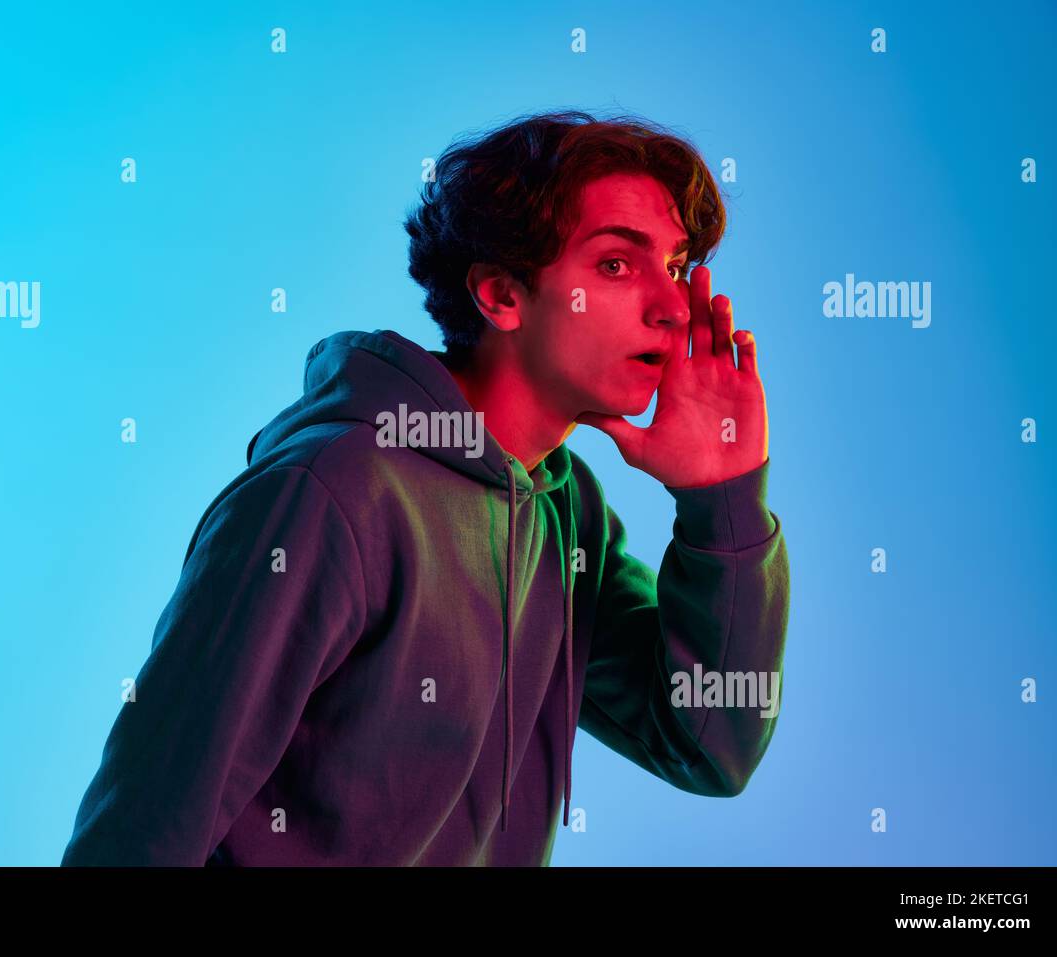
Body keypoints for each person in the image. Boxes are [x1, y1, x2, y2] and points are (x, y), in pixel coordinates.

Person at [61, 110, 790, 866]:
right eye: (615, 265)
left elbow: (711, 745)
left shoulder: (567, 517)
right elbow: (143, 831)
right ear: (501, 295)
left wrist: (722, 499)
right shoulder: (332, 491)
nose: (674, 307)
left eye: (675, 267)